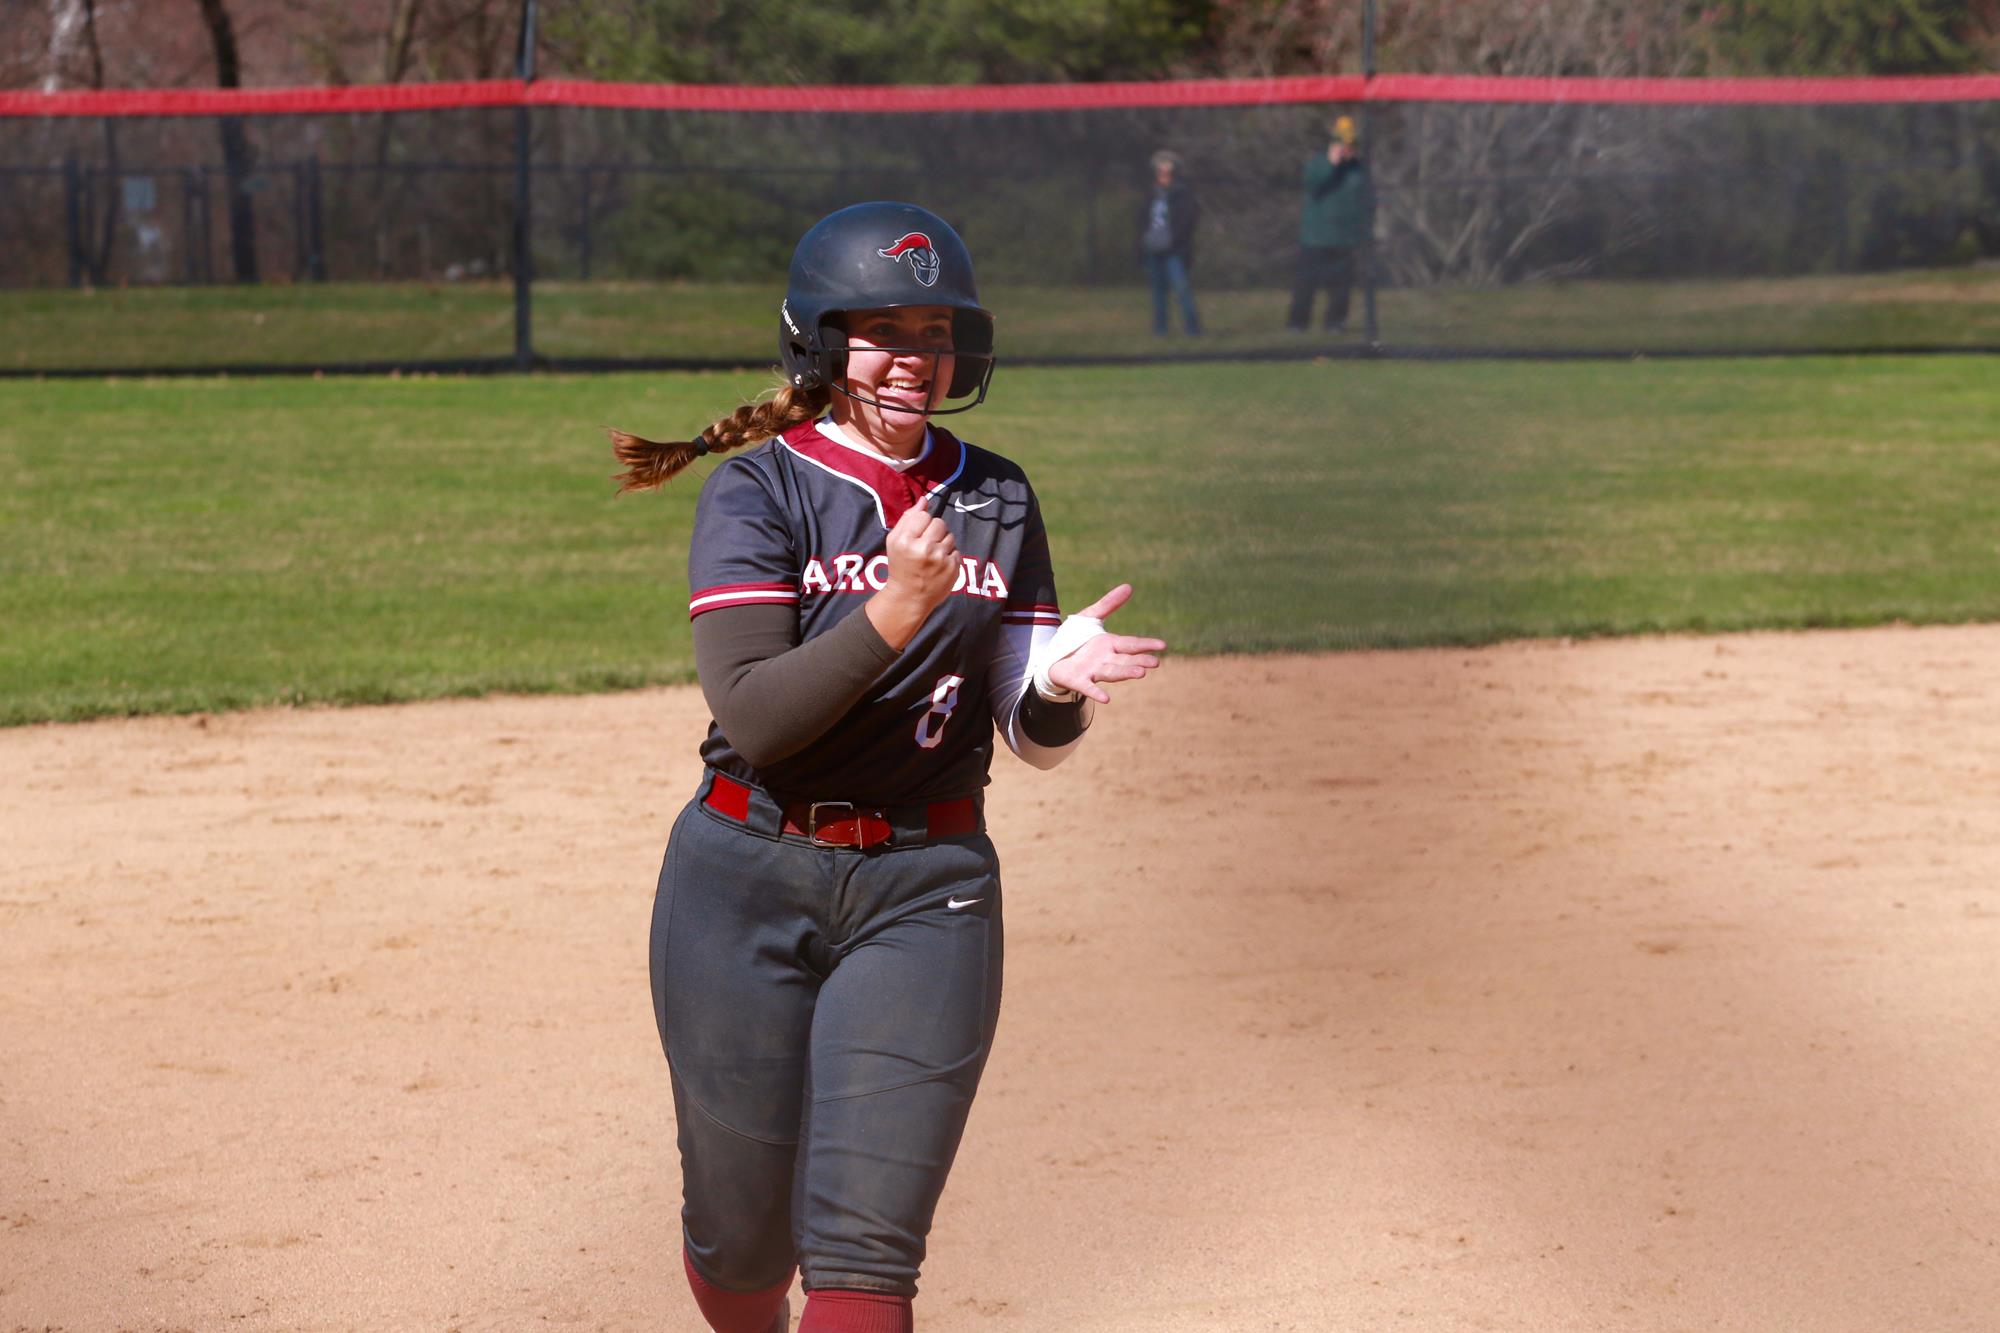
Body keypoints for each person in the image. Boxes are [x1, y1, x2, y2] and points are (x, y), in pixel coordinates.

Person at [607, 201, 1166, 1333]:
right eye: (884, 331)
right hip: (743, 877)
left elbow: (1027, 731)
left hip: (929, 888)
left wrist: (1056, 687)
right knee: (742, 1245)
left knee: (866, 1259)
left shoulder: (996, 493)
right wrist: (893, 610)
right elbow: (757, 718)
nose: (914, 357)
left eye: (936, 331)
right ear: (819, 343)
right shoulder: (759, 491)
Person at [1289, 115, 1371, 334]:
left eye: (1351, 145)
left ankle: (1335, 323)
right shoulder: (1318, 163)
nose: (1347, 149)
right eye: (1343, 144)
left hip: (1344, 238)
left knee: (1341, 287)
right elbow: (1312, 185)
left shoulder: (1357, 169)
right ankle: (1298, 324)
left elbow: (1365, 199)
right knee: (1306, 285)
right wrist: (1330, 164)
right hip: (1315, 238)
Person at [1136, 149, 1202, 336]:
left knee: (1181, 289)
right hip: (1153, 250)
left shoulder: (1182, 195)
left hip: (1174, 251)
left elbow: (1187, 221)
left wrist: (1175, 241)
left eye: (1167, 171)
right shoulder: (1151, 195)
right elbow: (1142, 220)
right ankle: (1160, 330)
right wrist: (1143, 242)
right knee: (1158, 293)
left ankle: (1193, 329)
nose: (1163, 175)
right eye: (1159, 171)